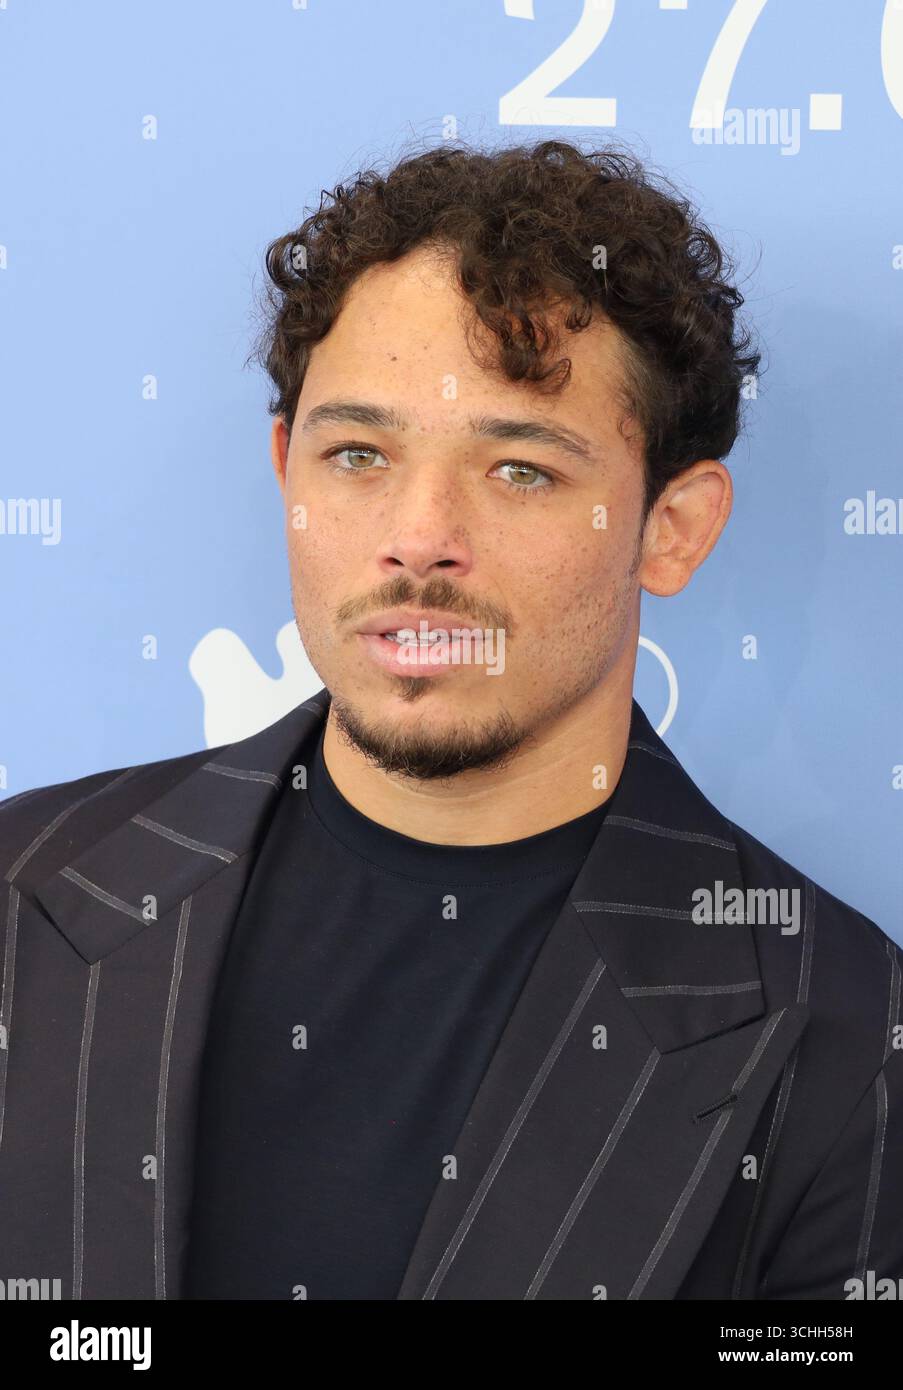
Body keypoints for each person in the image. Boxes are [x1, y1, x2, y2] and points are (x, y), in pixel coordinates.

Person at [0, 141, 900, 1301]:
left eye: (520, 468)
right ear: (287, 473)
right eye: (360, 454)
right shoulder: (26, 894)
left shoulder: (847, 1043)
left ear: (671, 527)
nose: (419, 536)